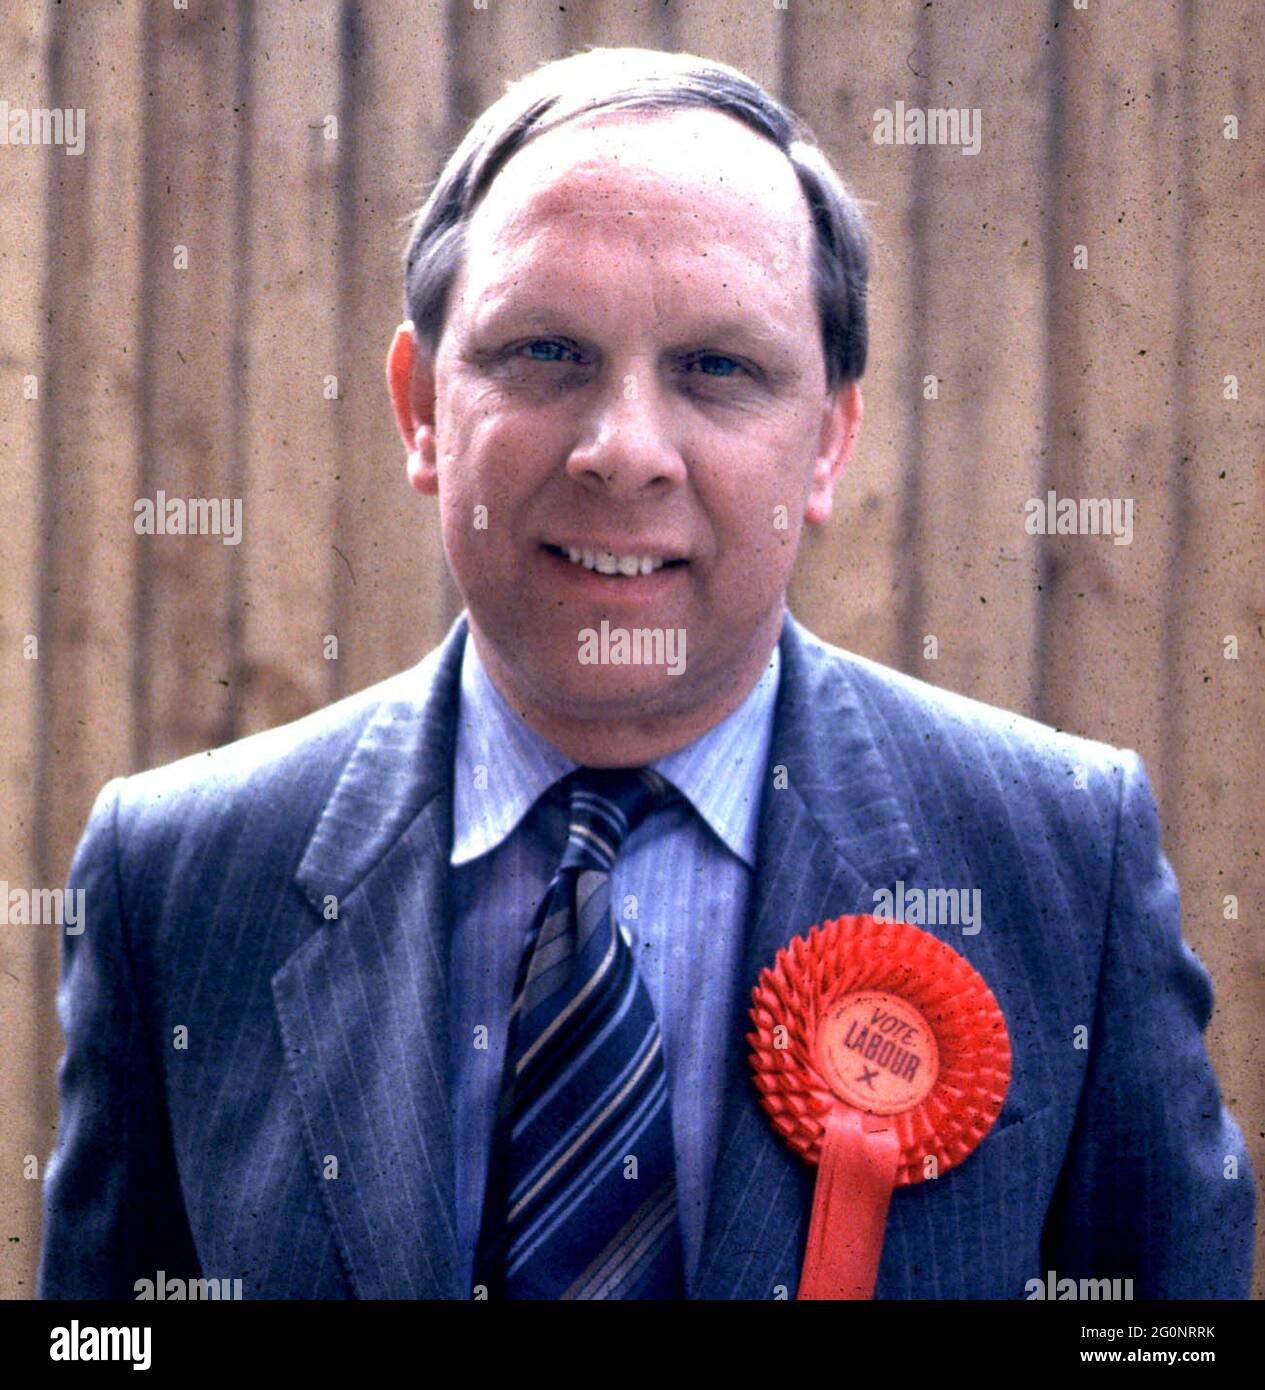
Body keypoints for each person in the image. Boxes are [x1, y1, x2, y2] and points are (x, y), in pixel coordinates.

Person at [39, 46, 1253, 1301]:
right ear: (419, 409)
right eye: (546, 353)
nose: (623, 452)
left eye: (716, 369)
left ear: (827, 440)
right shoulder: (178, 880)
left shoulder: (1060, 859)